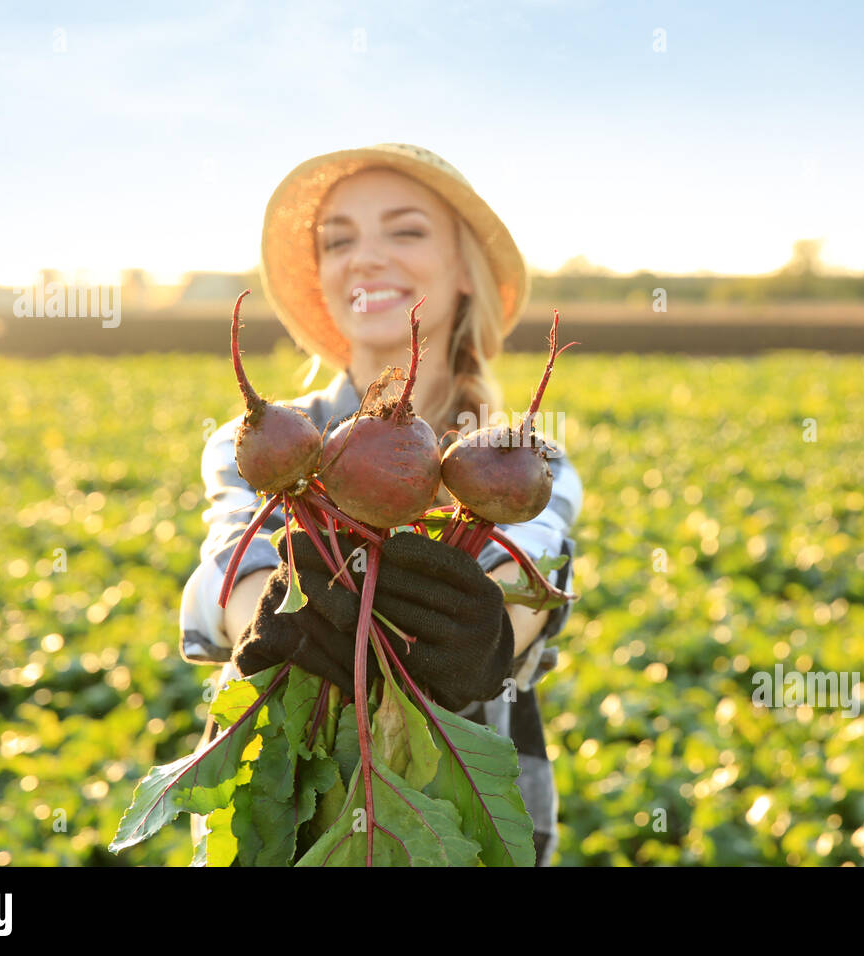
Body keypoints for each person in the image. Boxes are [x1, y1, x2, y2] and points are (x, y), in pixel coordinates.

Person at [177, 143, 583, 866]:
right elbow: (228, 567)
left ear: (466, 272)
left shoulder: (530, 454)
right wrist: (270, 619)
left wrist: (489, 637)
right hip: (278, 808)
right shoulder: (260, 439)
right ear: (325, 280)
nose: (364, 258)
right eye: (339, 240)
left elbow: (536, 575)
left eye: (405, 230)